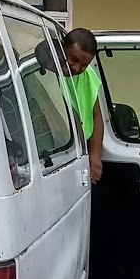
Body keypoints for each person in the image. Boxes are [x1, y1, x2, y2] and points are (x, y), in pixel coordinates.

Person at [60, 28, 107, 184]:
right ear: (62, 49)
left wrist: (95, 157)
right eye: (73, 59)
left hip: (82, 153)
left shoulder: (88, 75)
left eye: (84, 65)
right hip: (62, 153)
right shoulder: (49, 75)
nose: (77, 68)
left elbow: (96, 116)